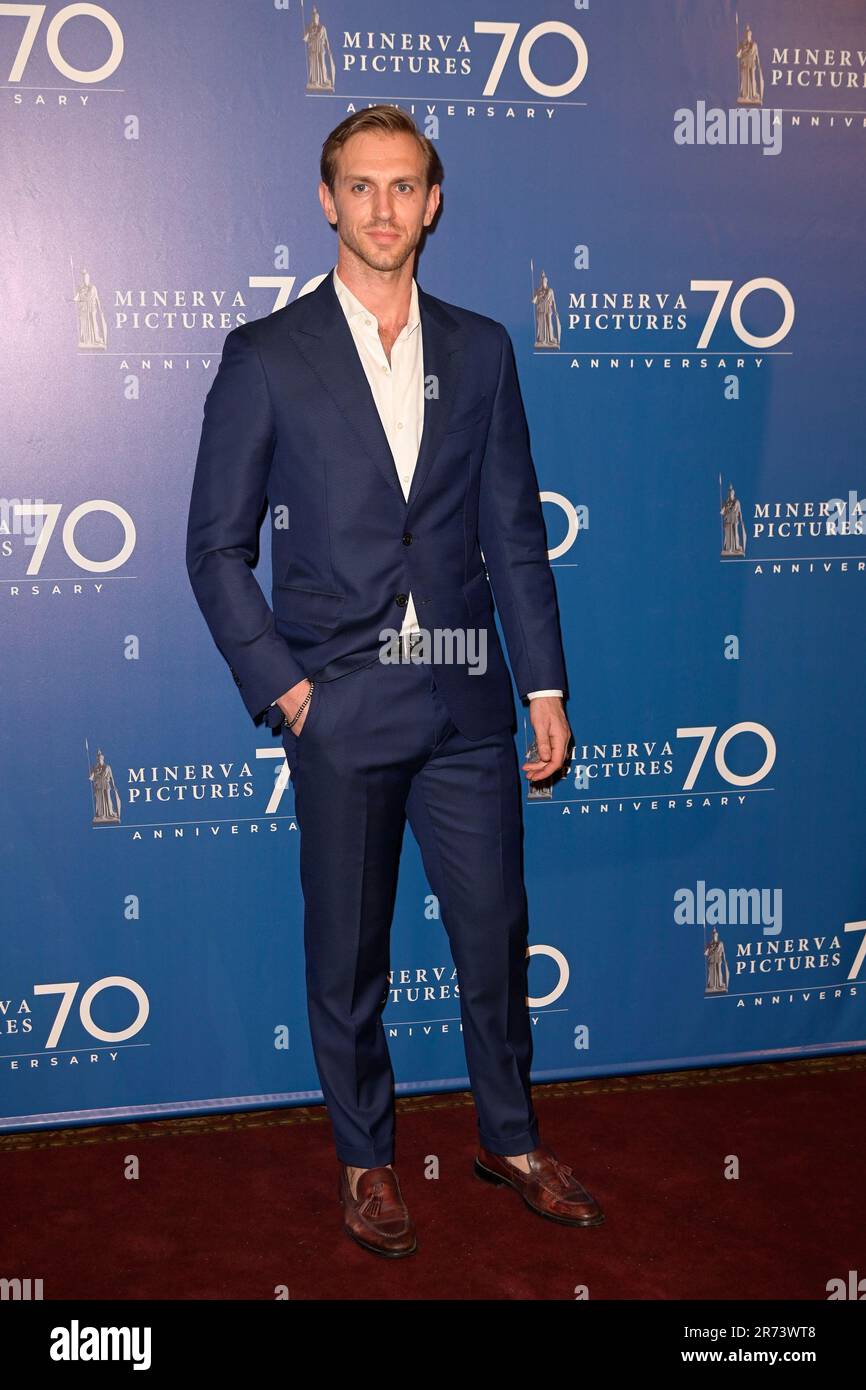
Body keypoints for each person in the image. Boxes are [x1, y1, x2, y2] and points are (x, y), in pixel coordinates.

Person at [186, 105, 604, 1258]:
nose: (382, 208)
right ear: (328, 201)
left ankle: (507, 1140)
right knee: (348, 956)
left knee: (490, 936)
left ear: (432, 203)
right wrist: (287, 689)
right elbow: (215, 547)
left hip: (466, 697)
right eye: (359, 187)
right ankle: (366, 1163)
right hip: (342, 701)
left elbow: (512, 530)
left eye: (403, 186)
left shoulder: (479, 348)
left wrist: (544, 689)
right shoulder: (266, 355)